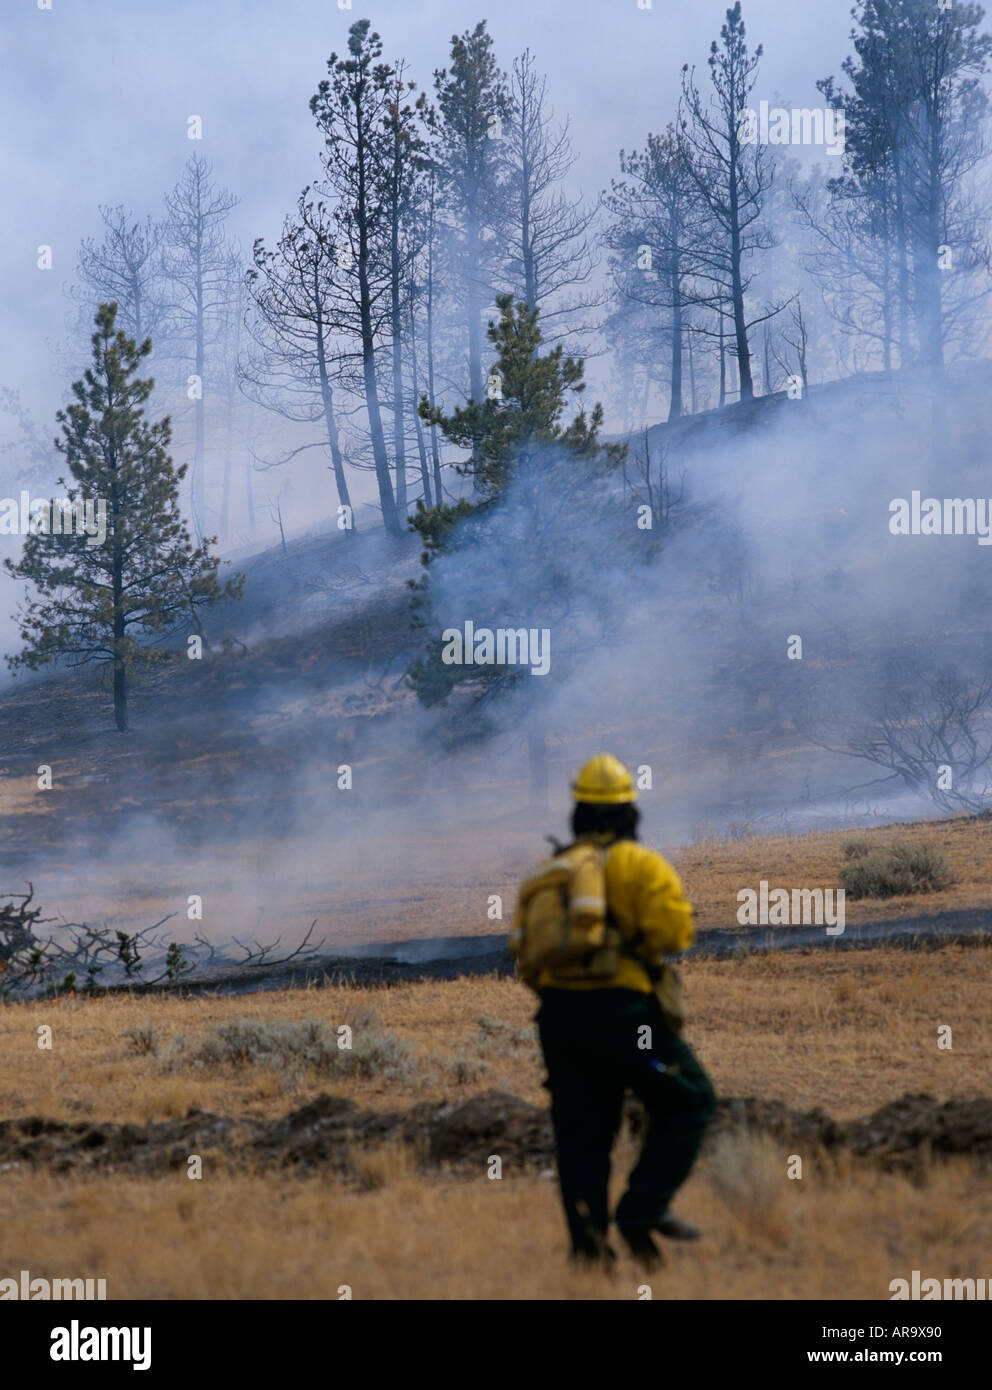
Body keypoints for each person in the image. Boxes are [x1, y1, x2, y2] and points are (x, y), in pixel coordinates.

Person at [515, 753, 716, 1270]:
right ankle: (642, 1208)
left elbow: (524, 953)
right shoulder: (640, 865)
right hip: (626, 1016)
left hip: (559, 1021)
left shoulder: (549, 873)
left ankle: (590, 1256)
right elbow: (676, 935)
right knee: (689, 1099)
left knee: (582, 1139)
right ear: (629, 812)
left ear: (578, 812)